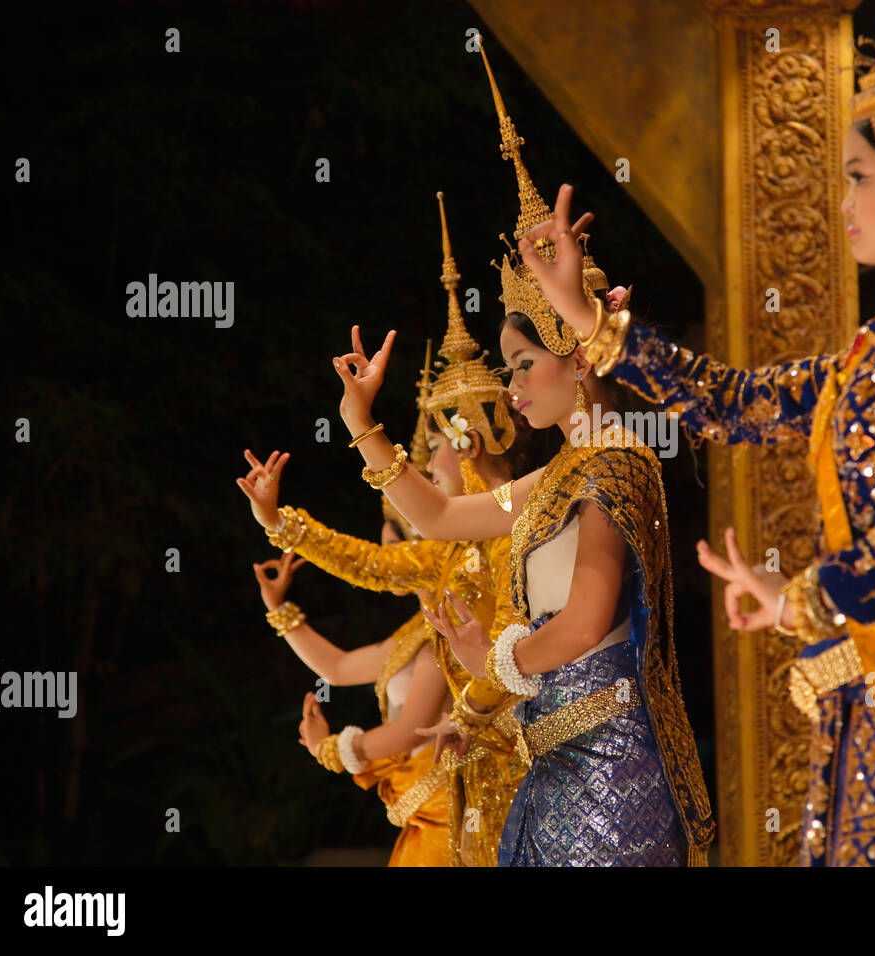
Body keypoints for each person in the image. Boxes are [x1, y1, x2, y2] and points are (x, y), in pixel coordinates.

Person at [510, 0, 875, 865]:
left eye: (860, 175)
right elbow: (735, 400)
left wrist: (806, 598)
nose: (846, 198)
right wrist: (580, 311)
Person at [291, 48, 715, 864]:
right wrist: (361, 423)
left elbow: (590, 619)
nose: (513, 388)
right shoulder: (553, 478)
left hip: (612, 775)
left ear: (579, 355)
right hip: (550, 760)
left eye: (523, 366)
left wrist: (493, 657)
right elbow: (438, 515)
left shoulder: (618, 462)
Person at [236, 195, 529, 866]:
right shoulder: (441, 566)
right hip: (457, 792)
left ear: (473, 442)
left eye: (434, 456)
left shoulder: (518, 521)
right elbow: (368, 572)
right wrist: (281, 527)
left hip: (504, 779)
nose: (423, 473)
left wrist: (335, 751)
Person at [252, 503, 452, 866]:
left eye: (394, 551)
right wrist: (278, 607)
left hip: (447, 813)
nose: (387, 564)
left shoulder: (446, 634)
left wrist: (330, 750)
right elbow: (338, 668)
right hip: (429, 813)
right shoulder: (418, 632)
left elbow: (411, 730)